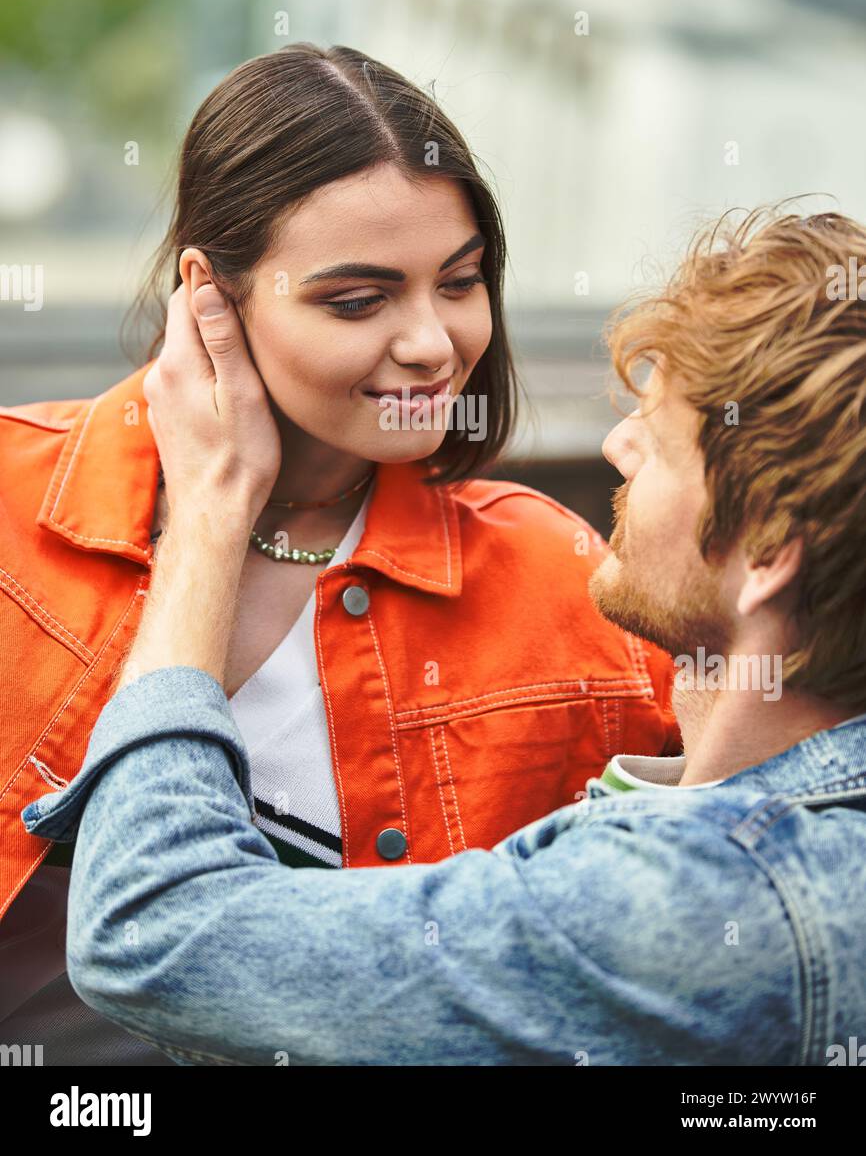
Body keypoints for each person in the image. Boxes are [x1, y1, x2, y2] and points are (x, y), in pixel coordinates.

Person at [22, 205, 866, 1066]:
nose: (617, 445)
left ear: (768, 555)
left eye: (661, 443)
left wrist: (209, 512)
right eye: (354, 299)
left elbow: (161, 933)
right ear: (211, 302)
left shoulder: (703, 898)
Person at [0, 44, 677, 1064]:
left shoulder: (558, 579)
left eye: (459, 282)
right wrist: (212, 519)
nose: (429, 343)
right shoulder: (15, 501)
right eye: (356, 301)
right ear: (210, 295)